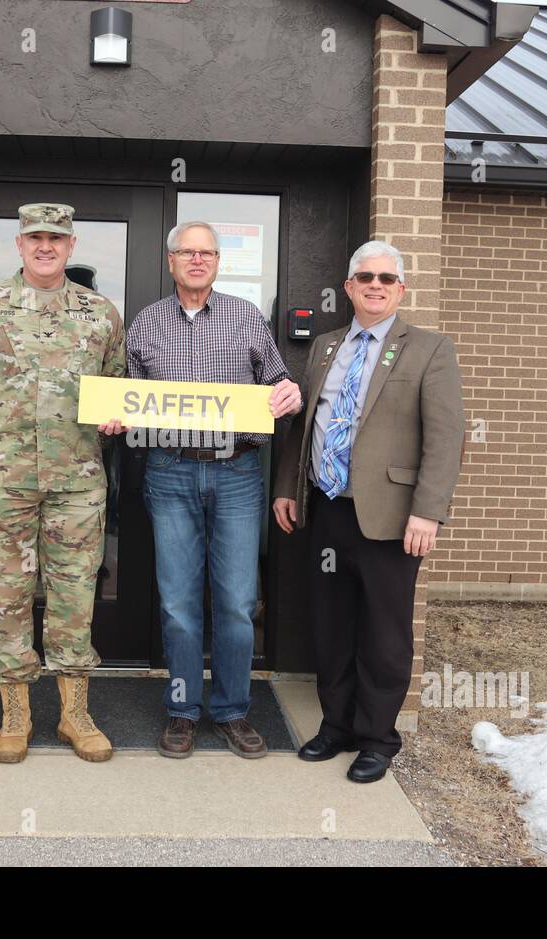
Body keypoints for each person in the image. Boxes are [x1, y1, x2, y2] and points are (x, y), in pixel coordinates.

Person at [272, 240, 465, 783]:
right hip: (329, 509)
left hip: (392, 518)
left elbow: (446, 438)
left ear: (400, 289)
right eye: (365, 277)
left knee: (384, 631)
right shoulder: (327, 347)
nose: (375, 285)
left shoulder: (429, 348)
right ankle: (337, 725)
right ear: (349, 287)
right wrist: (289, 486)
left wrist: (427, 512)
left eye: (386, 278)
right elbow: (306, 427)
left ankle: (378, 736)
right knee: (332, 626)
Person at [0, 203, 125, 764]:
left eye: (57, 238)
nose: (46, 246)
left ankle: (74, 714)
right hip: (4, 483)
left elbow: (115, 385)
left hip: (78, 481)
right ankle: (15, 715)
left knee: (75, 596)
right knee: (8, 595)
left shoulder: (100, 313)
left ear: (71, 247)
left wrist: (107, 427)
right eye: (35, 237)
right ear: (19, 245)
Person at [123, 221, 301, 759]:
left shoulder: (247, 317)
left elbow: (278, 383)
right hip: (170, 470)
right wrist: (115, 415)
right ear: (170, 259)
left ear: (219, 262)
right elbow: (128, 397)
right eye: (187, 252)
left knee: (236, 602)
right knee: (178, 603)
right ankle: (181, 709)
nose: (197, 260)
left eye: (208, 253)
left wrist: (288, 393)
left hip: (238, 473)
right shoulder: (147, 322)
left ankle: (231, 710)